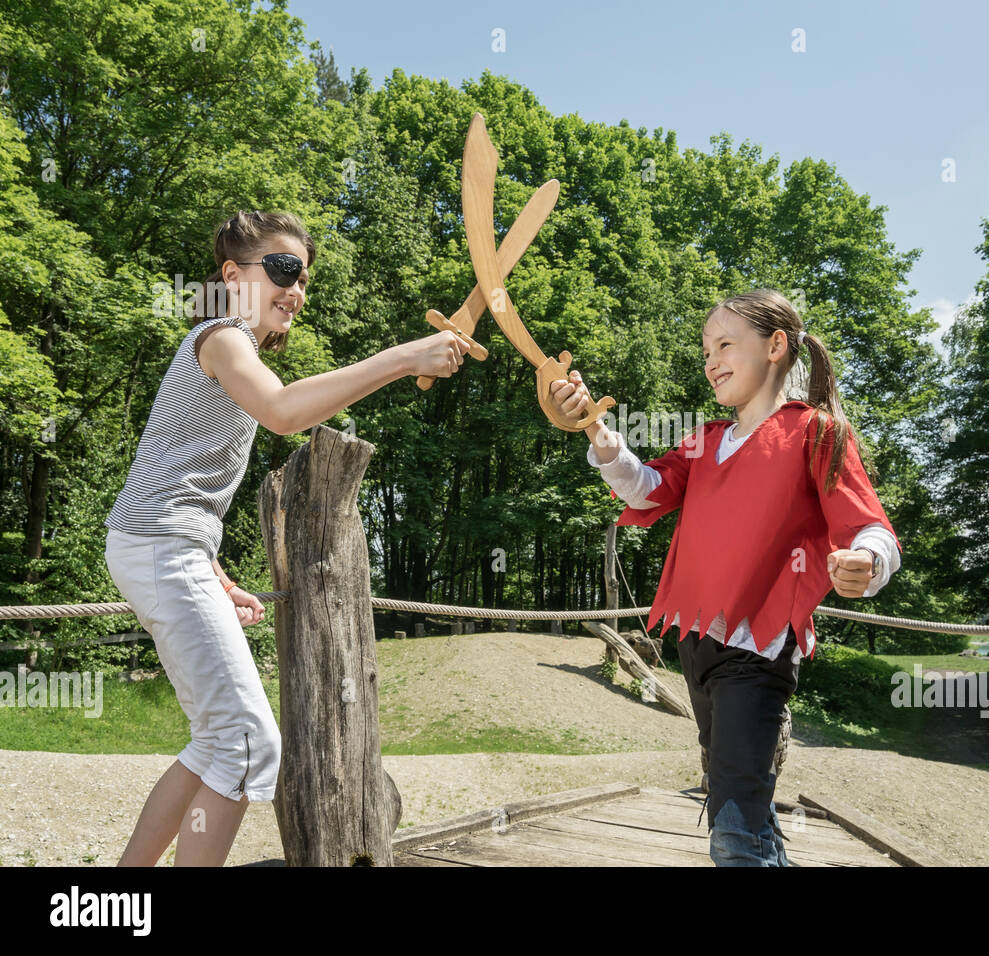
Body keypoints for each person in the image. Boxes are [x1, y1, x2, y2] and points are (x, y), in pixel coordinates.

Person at [104, 210, 470, 866]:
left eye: (304, 278)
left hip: (162, 545)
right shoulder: (222, 336)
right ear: (231, 275)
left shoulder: (225, 348)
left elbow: (177, 481)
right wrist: (406, 356)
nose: (297, 287)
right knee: (248, 746)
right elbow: (282, 413)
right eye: (282, 269)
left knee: (216, 743)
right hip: (159, 547)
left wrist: (213, 574)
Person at [549, 288, 901, 866]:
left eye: (724, 344)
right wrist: (597, 431)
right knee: (738, 799)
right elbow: (649, 488)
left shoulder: (817, 432)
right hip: (696, 644)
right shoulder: (704, 441)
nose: (710, 360)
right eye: (705, 349)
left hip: (759, 650)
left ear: (776, 346)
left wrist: (868, 561)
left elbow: (871, 527)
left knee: (733, 826)